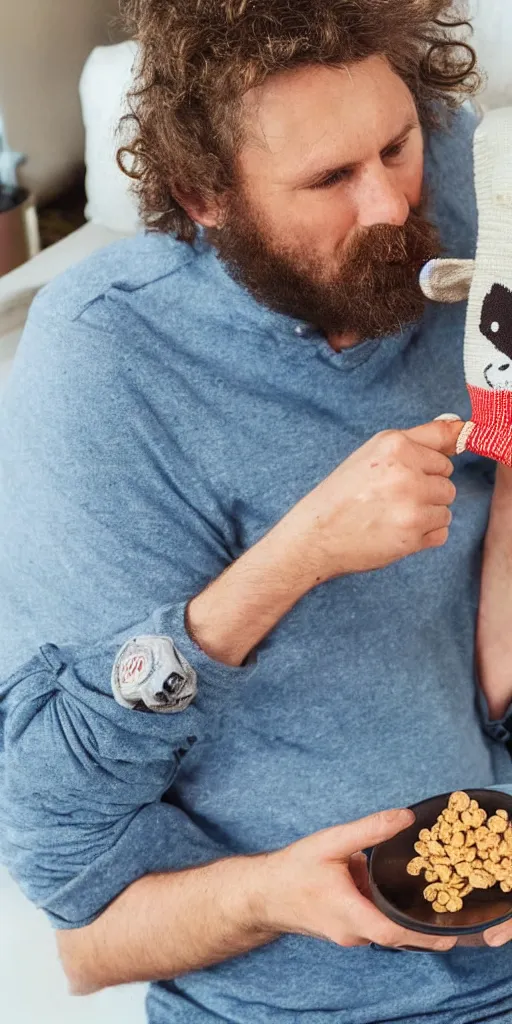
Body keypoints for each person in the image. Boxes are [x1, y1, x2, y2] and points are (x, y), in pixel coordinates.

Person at [2, 1, 512, 1021]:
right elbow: (54, 831)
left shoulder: (457, 187)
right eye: (328, 179)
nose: (391, 206)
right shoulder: (107, 363)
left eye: (396, 146)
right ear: (205, 197)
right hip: (313, 993)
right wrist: (297, 555)